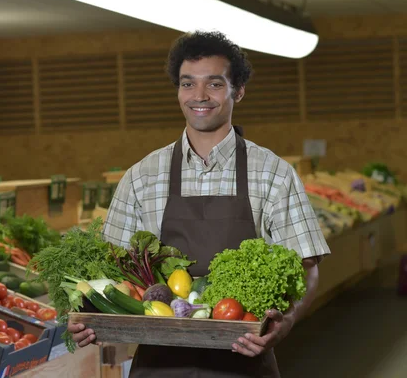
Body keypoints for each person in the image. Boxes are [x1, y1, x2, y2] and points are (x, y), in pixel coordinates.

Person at [68, 31, 331, 377]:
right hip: (159, 365)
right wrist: (92, 317)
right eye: (187, 84)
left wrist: (287, 322)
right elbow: (112, 276)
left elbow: (306, 267)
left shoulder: (272, 174)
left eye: (215, 84)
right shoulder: (142, 176)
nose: (200, 96)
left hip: (245, 359)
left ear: (238, 91)